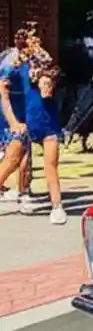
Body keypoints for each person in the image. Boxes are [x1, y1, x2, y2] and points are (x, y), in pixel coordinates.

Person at [0, 58, 67, 224]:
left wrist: (48, 81)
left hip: (49, 128)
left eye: (49, 85)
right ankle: (21, 193)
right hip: (28, 126)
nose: (47, 89)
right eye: (44, 84)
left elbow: (49, 88)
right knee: (10, 162)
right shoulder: (23, 74)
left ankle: (57, 206)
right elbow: (4, 88)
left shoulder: (54, 80)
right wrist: (14, 121)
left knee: (50, 166)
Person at [0, 28, 32, 204]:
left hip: (25, 108)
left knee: (25, 150)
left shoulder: (30, 60)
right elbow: (3, 89)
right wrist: (12, 119)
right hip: (10, 110)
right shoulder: (10, 61)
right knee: (12, 151)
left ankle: (24, 188)